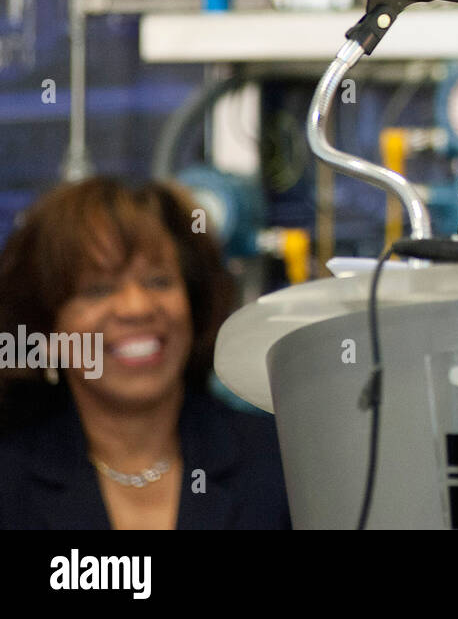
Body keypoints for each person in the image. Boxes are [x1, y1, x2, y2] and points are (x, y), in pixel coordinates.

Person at [0, 177, 291, 529]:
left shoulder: (280, 462)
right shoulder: (11, 479)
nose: (136, 307)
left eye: (158, 281)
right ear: (46, 325)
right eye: (98, 289)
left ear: (192, 301)